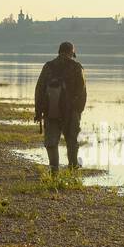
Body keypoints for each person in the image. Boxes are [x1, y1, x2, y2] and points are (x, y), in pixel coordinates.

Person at [34, 41, 88, 172]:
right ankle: (73, 166)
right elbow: (82, 91)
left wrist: (38, 111)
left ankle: (54, 168)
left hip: (51, 111)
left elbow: (39, 89)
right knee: (71, 140)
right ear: (71, 53)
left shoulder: (48, 66)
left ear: (59, 52)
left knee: (51, 141)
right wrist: (77, 111)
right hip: (71, 112)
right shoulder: (76, 67)